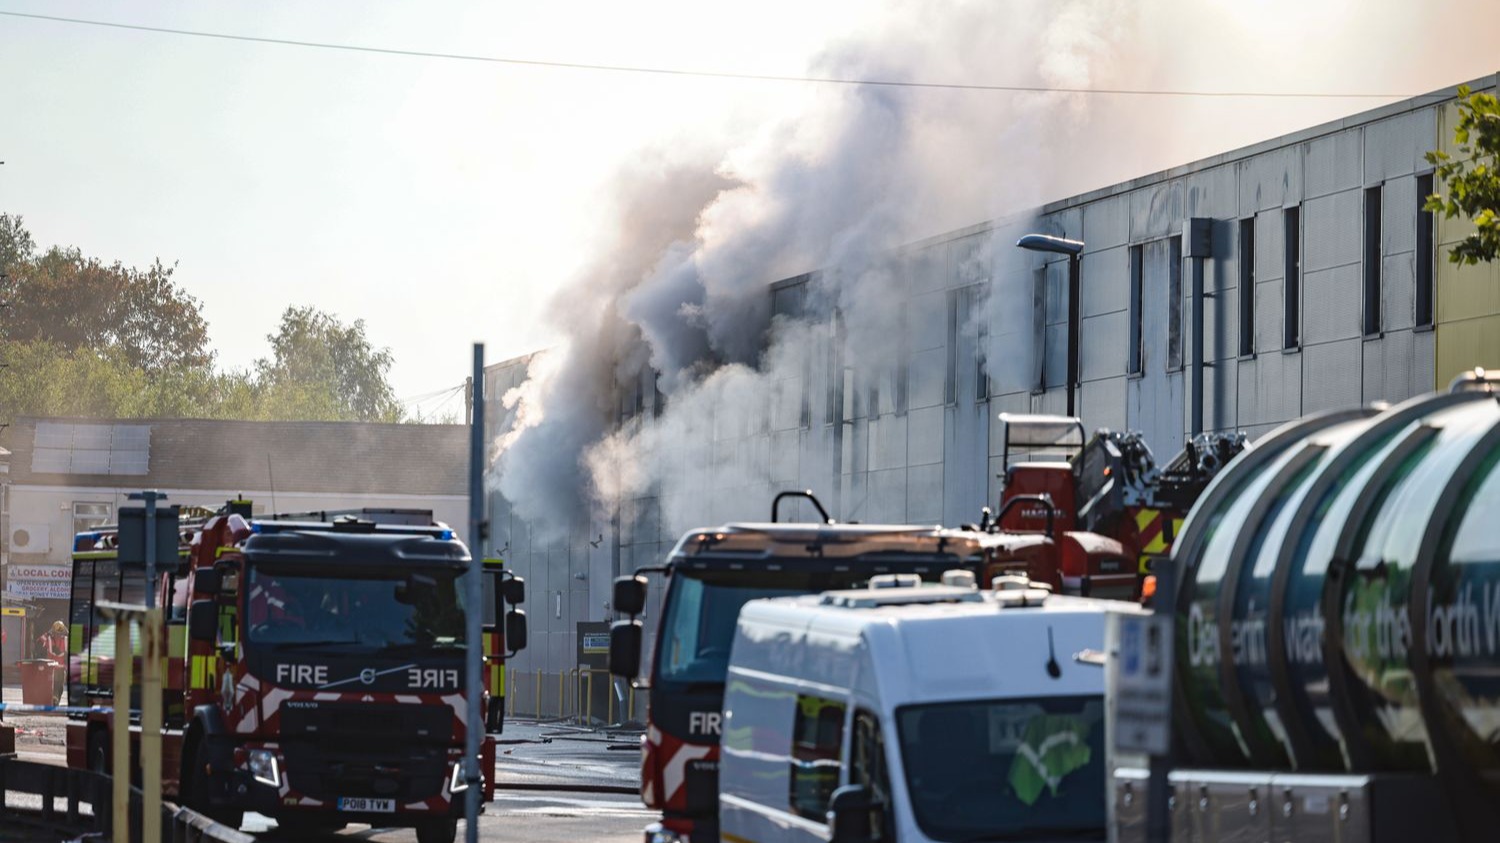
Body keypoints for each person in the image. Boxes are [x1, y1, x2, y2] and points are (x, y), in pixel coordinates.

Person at [38, 621, 68, 704]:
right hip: (59, 668)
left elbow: (39, 641)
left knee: (53, 686)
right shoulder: (66, 639)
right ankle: (55, 700)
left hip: (52, 668)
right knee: (58, 686)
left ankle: (54, 700)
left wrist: (48, 633)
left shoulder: (48, 639)